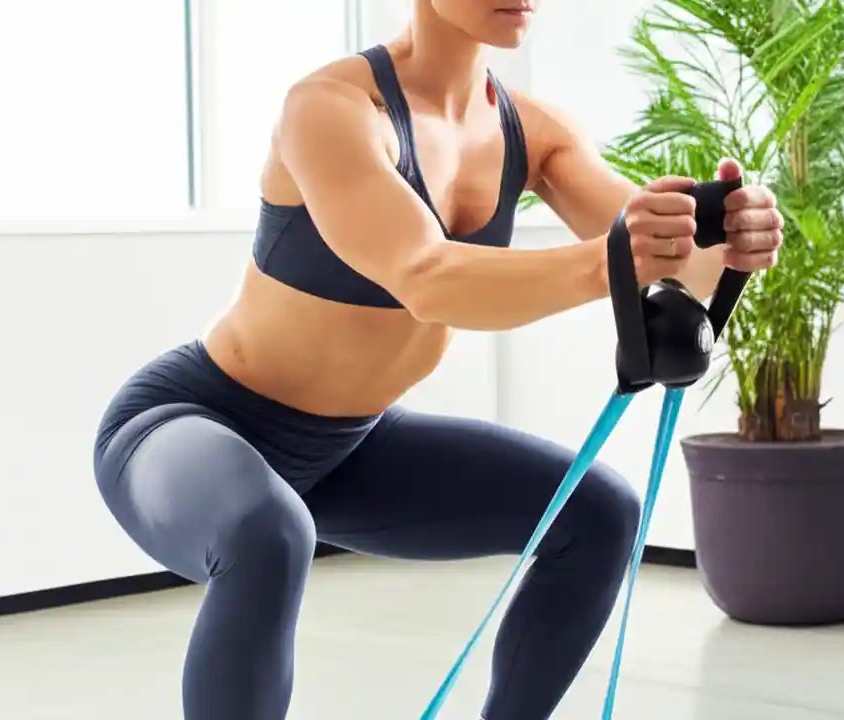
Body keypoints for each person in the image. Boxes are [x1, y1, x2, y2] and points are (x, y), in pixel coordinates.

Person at [92, 1, 783, 718]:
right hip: (196, 422)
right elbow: (427, 278)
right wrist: (619, 257)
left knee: (600, 514)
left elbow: (666, 264)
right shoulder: (330, 109)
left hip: (346, 450)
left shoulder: (535, 134)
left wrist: (730, 240)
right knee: (266, 535)